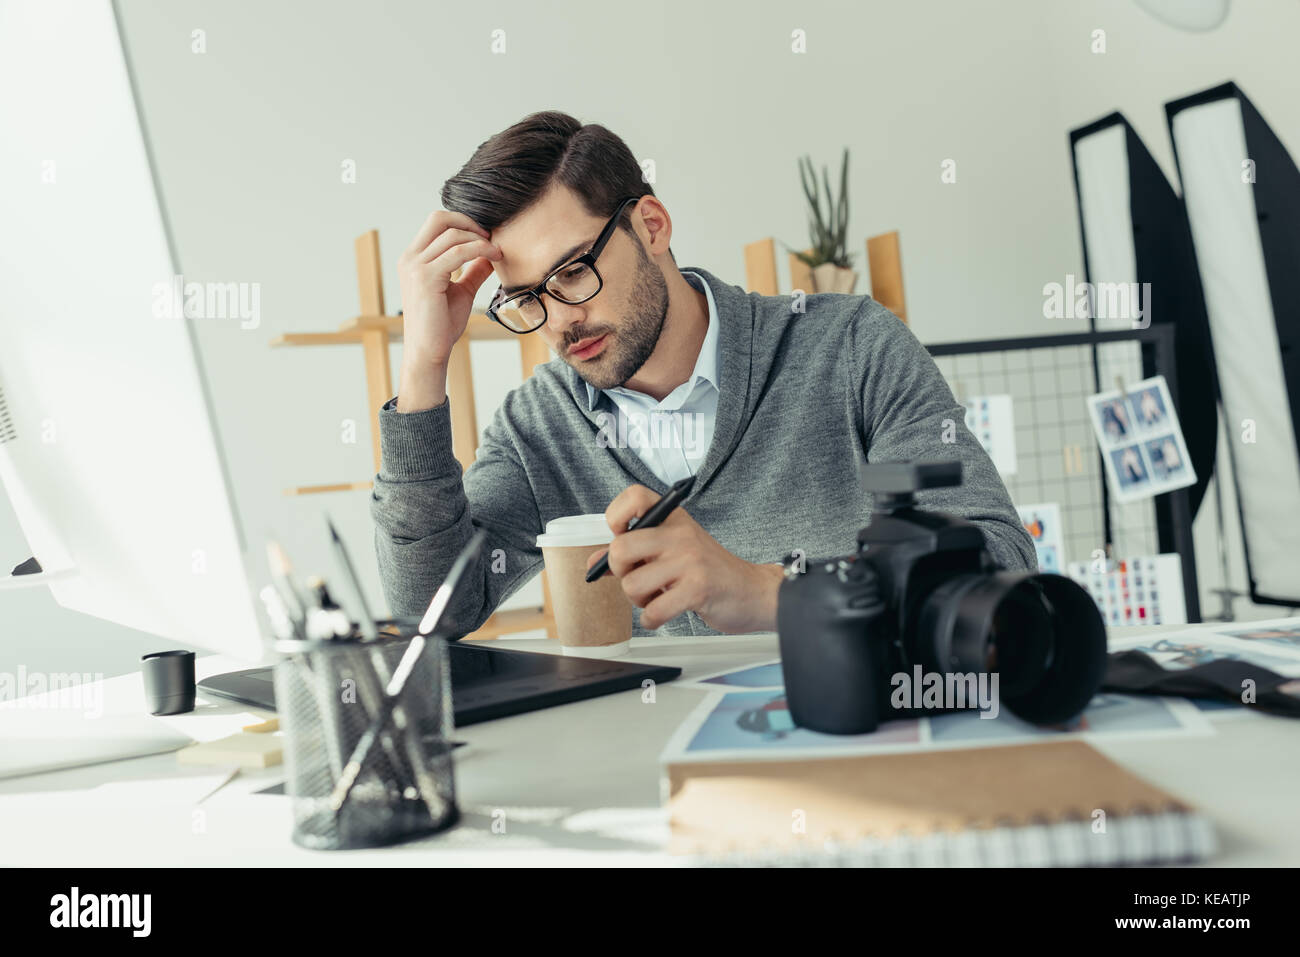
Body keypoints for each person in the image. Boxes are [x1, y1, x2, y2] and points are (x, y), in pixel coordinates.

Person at [371, 111, 1035, 637]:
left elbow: (1000, 560)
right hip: (668, 787)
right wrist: (425, 363)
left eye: (573, 271)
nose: (559, 321)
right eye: (527, 298)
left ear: (652, 226)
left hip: (860, 750)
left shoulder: (851, 346)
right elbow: (432, 608)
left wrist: (765, 592)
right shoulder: (537, 426)